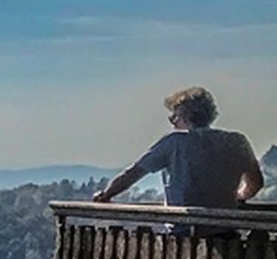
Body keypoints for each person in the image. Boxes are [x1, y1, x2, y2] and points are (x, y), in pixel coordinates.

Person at [93, 87, 263, 207]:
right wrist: (239, 196)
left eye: (173, 116)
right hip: (226, 231)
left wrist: (106, 195)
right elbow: (256, 182)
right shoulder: (237, 141)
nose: (172, 122)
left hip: (183, 233)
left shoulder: (174, 142)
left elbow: (134, 173)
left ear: (184, 116)